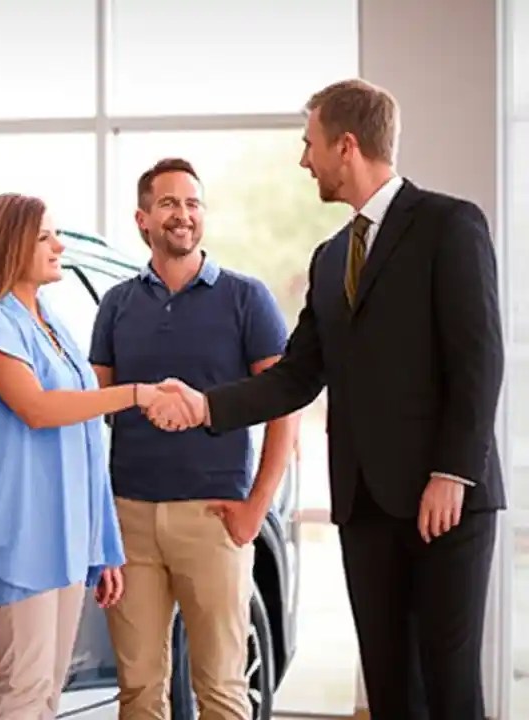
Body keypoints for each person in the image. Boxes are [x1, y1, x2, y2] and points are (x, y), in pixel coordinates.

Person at [147, 78, 505, 719]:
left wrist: (452, 472)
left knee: (450, 693)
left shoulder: (449, 225)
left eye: (309, 144)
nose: (303, 159)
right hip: (366, 507)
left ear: (346, 145)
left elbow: (479, 360)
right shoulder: (331, 255)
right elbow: (296, 375)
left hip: (443, 501)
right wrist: (205, 407)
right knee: (391, 691)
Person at [88, 158, 299, 720]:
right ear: (143, 219)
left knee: (222, 689)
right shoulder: (117, 305)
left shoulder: (245, 298)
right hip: (129, 518)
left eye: (192, 203)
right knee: (137, 689)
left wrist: (256, 509)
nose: (182, 215)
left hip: (213, 518)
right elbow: (91, 412)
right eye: (168, 204)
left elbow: (286, 407)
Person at [0, 192, 147, 719]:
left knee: (47, 692)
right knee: (23, 688)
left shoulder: (50, 322)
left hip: (67, 539)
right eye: (45, 236)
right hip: (19, 537)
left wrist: (104, 545)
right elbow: (37, 408)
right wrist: (136, 393)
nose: (60, 245)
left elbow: (86, 438)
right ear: (10, 245)